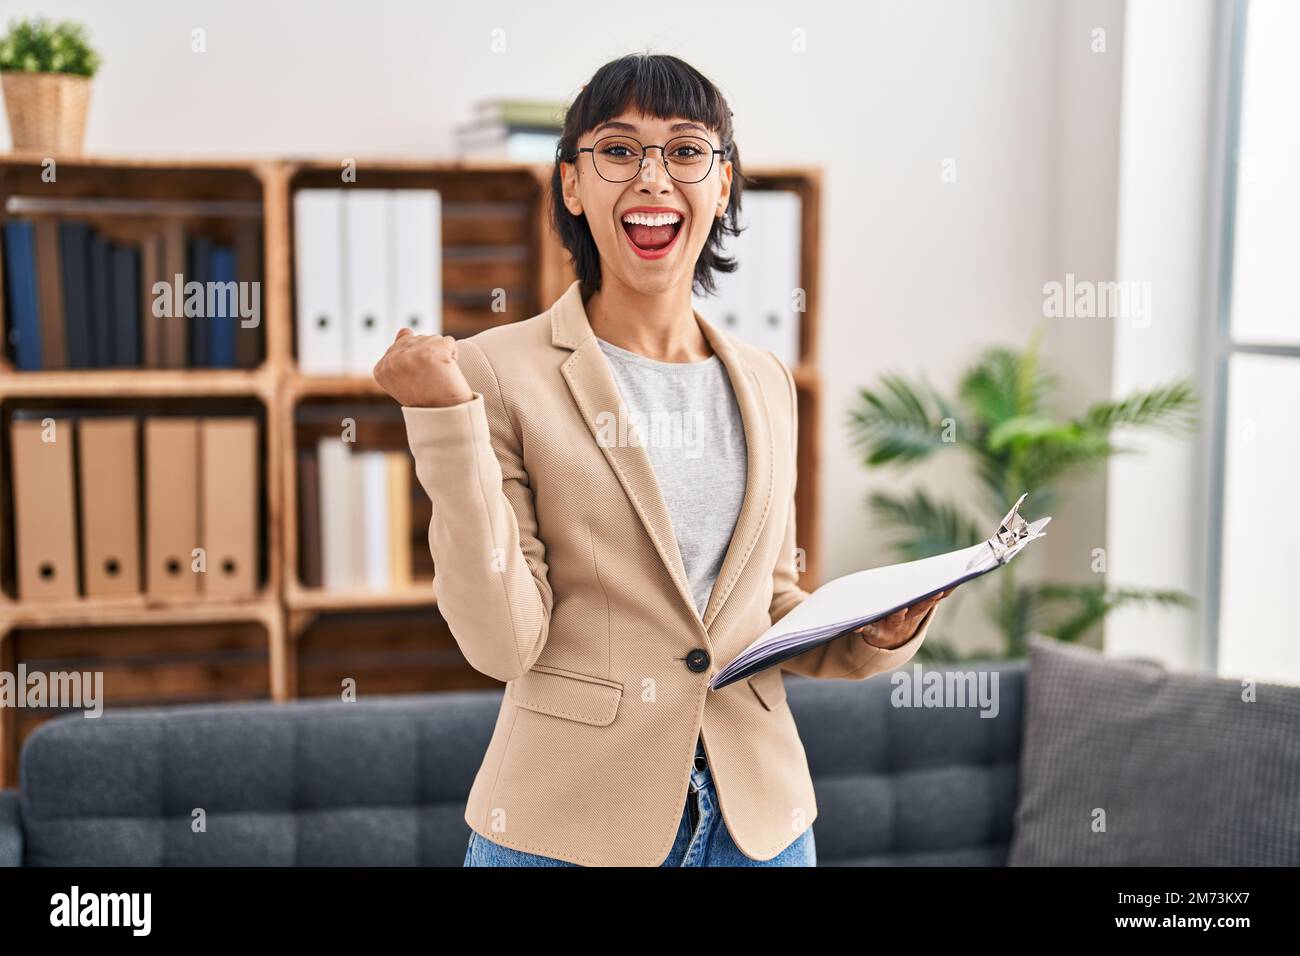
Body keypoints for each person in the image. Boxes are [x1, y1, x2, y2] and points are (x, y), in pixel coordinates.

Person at [373, 52, 952, 867]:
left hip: (762, 830)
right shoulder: (494, 372)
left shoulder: (766, 382)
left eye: (686, 151)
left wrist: (873, 633)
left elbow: (764, 607)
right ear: (572, 184)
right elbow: (503, 643)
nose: (653, 177)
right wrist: (440, 419)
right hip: (567, 827)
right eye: (618, 150)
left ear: (722, 187)